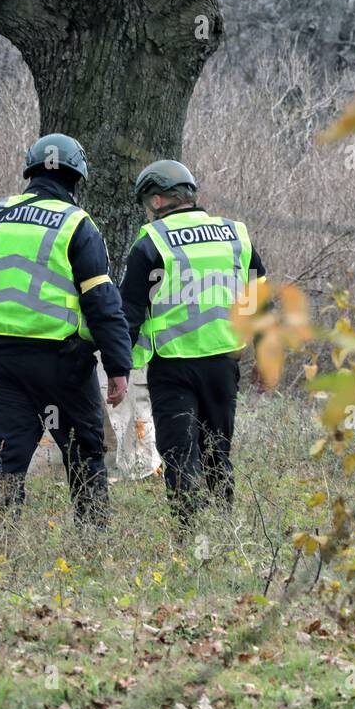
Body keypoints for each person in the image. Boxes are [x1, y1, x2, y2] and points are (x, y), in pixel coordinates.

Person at [0, 133, 131, 528]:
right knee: (84, 450)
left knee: (7, 451)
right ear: (76, 176)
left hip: (4, 360)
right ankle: (92, 541)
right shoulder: (76, 224)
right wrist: (118, 367)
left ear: (30, 171)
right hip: (63, 361)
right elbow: (101, 299)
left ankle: (0, 541)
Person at [119, 160, 267, 530]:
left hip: (173, 366)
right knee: (219, 450)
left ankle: (189, 536)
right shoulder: (235, 235)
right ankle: (224, 527)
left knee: (180, 453)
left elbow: (130, 311)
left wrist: (118, 366)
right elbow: (260, 297)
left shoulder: (152, 242)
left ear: (156, 201)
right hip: (222, 362)